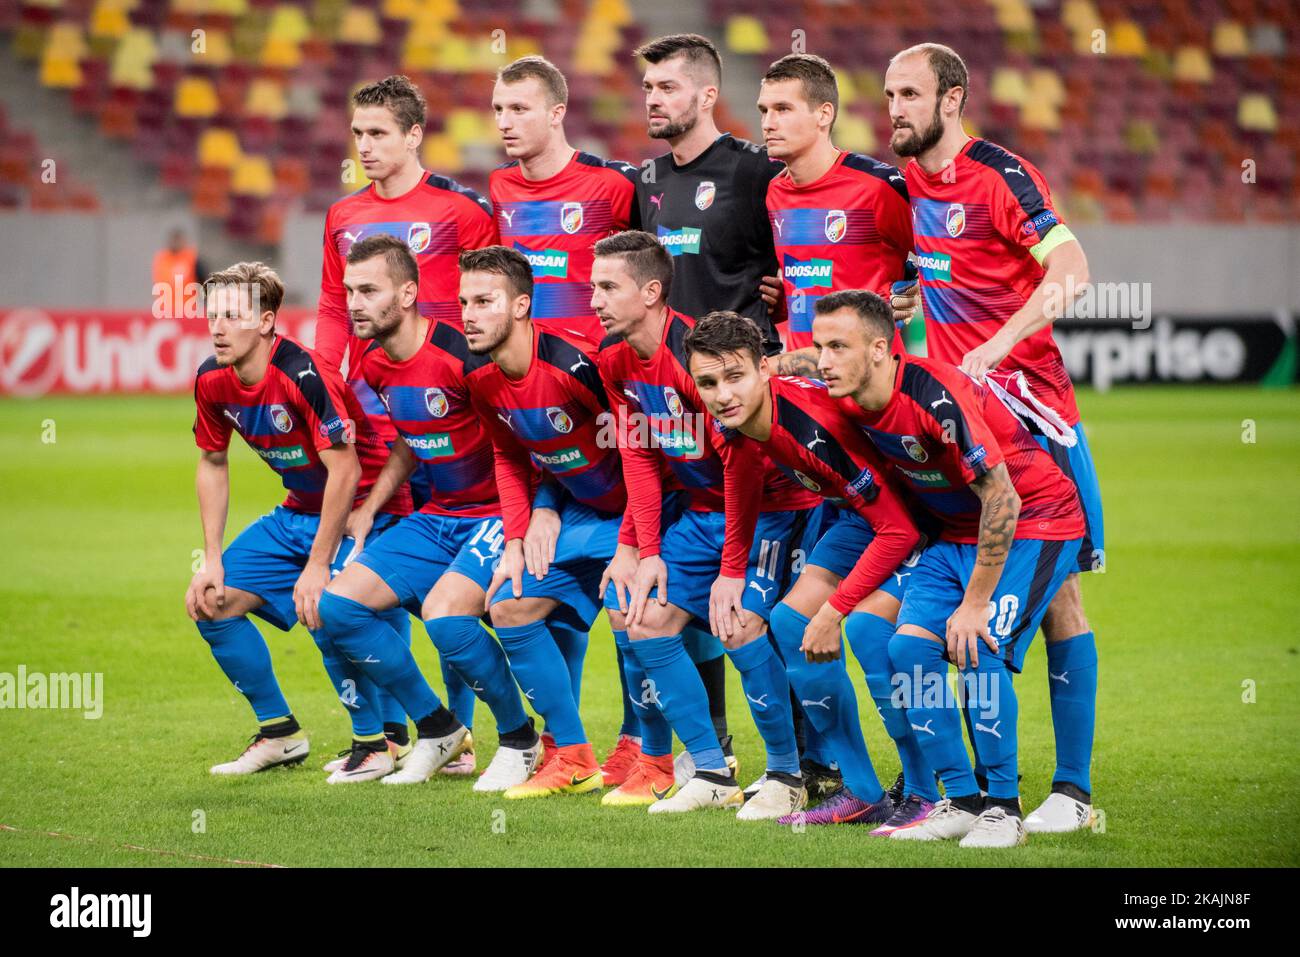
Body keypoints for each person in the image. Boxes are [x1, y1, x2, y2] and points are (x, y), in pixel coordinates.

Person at [885, 43, 1102, 831]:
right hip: (961, 431)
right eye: (887, 94)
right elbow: (926, 266)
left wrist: (997, 344)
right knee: (1014, 599)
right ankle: (990, 792)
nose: (894, 108)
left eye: (909, 93)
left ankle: (1070, 792)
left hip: (1033, 418)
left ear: (952, 99)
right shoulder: (909, 180)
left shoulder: (1001, 175)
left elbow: (1073, 270)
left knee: (1062, 599)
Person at [814, 289, 1084, 847]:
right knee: (906, 649)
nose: (823, 361)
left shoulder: (937, 397)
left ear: (881, 350)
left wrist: (975, 602)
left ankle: (1003, 809)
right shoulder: (845, 389)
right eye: (820, 347)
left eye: (837, 347)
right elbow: (794, 368)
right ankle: (959, 799)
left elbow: (1002, 498)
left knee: (975, 643)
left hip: (1036, 520)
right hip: (953, 532)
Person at [593, 230, 825, 818]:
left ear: (650, 292)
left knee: (739, 622)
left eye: (606, 287)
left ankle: (787, 773)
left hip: (769, 510)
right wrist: (642, 550)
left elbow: (739, 462)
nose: (592, 299)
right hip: (700, 514)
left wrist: (730, 569)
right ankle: (712, 770)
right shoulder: (614, 362)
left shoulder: (698, 359)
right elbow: (641, 459)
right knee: (643, 620)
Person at [684, 310, 939, 830]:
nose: (721, 394)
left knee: (868, 633)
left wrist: (836, 610)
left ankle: (924, 791)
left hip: (922, 515)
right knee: (789, 622)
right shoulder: (732, 418)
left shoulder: (812, 428)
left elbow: (899, 529)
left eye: (734, 378)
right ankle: (863, 791)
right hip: (860, 516)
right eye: (707, 382)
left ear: (763, 369)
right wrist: (731, 570)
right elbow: (742, 478)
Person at [316, 74, 499, 770]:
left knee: (453, 589)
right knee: (379, 574)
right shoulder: (342, 215)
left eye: (378, 133)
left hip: (453, 412)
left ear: (414, 135)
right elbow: (335, 307)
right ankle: (408, 730)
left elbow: (492, 292)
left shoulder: (461, 208)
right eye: (358, 133)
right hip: (376, 412)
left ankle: (461, 737)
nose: (364, 146)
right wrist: (331, 381)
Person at [314, 235, 542, 788]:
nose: (354, 303)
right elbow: (412, 441)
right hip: (438, 514)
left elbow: (522, 439)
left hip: (495, 515)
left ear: (409, 292)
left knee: (445, 616)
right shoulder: (373, 364)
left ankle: (520, 739)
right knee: (338, 609)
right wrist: (368, 507)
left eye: (369, 290)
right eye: (348, 291)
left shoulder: (463, 359)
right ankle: (438, 729)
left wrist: (539, 516)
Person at [184, 261, 407, 779]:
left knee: (326, 608)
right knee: (210, 603)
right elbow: (212, 462)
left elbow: (346, 469)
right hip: (298, 512)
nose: (217, 326)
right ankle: (280, 733)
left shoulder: (304, 374)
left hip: (366, 512)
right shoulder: (211, 379)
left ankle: (378, 741)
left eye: (232, 315)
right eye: (212, 314)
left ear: (265, 322)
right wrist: (211, 557)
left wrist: (319, 563)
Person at [487, 55, 646, 783]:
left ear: (557, 111)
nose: (504, 122)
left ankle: (661, 749)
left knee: (639, 595)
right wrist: (539, 506)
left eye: (518, 108)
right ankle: (570, 748)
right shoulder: (499, 190)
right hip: (545, 427)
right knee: (520, 598)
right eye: (496, 109)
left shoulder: (613, 187)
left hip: (613, 405)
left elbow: (658, 268)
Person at [758, 54, 913, 351]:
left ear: (824, 114)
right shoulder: (774, 192)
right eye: (764, 110)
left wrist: (913, 285)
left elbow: (943, 252)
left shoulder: (878, 186)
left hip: (871, 383)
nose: (768, 123)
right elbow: (814, 275)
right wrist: (785, 301)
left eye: (782, 109)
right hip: (806, 380)